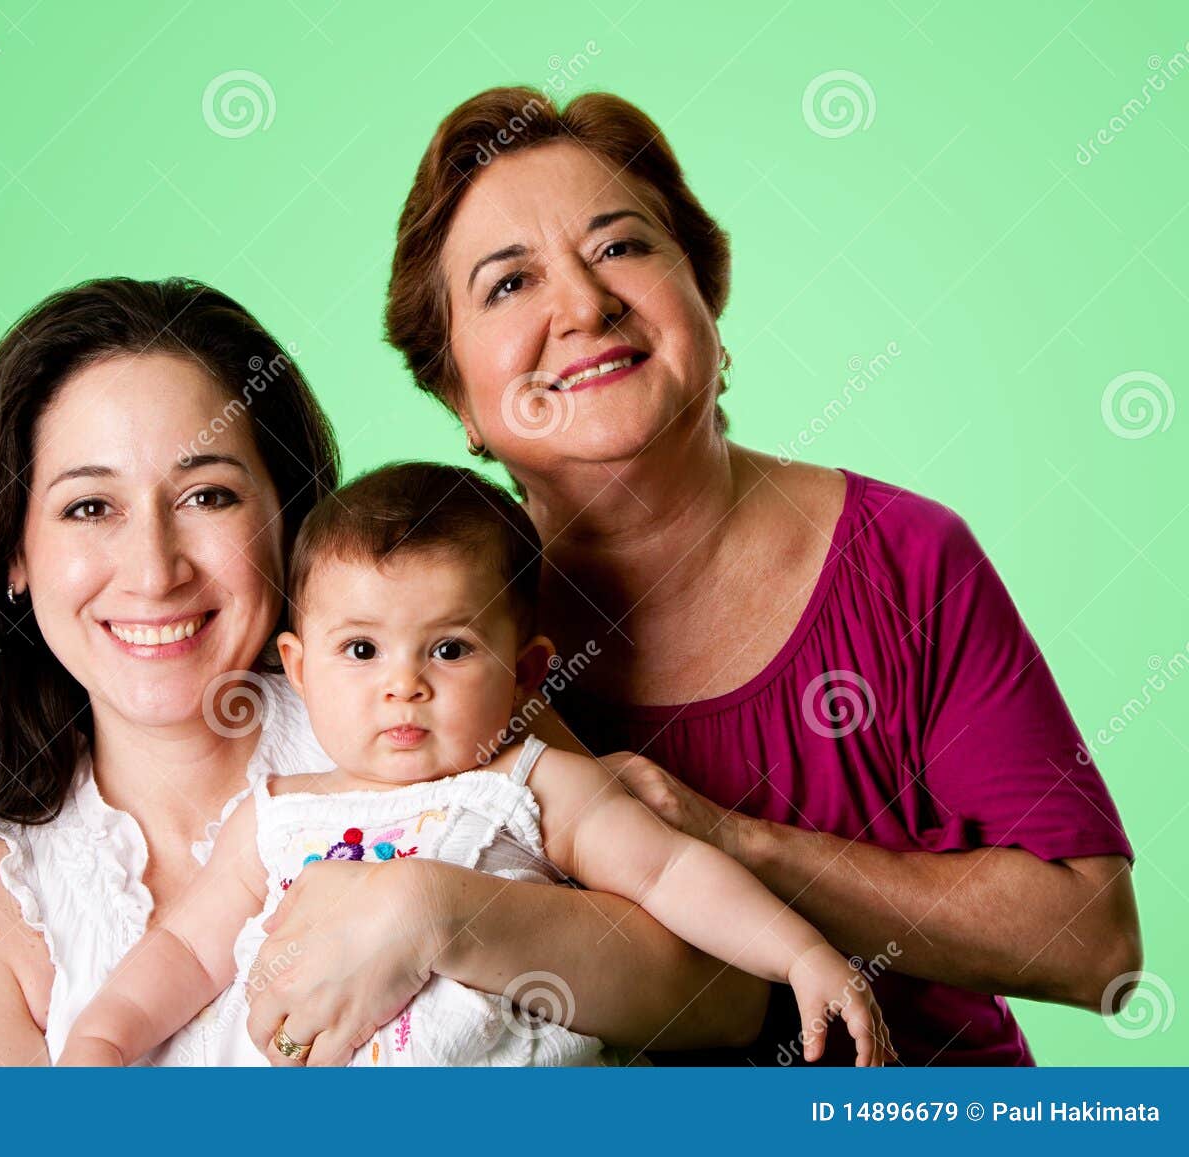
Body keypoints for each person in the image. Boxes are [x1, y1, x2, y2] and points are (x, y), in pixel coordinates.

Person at [382, 87, 1142, 1064]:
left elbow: (1097, 945)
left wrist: (734, 838)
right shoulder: (415, 638)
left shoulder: (908, 559)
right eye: (507, 284)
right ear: (460, 401)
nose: (582, 304)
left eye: (620, 246)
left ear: (706, 301)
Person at [0, 276, 771, 1065]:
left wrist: (435, 912)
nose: (154, 568)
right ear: (14, 553)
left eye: (209, 494)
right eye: (89, 505)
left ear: (287, 523)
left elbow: (728, 999)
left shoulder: (420, 702)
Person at [59, 462, 889, 1067]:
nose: (404, 684)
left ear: (525, 672)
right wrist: (100, 1042)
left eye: (449, 648)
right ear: (300, 666)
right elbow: (183, 955)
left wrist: (800, 954)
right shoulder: (273, 816)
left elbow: (673, 873)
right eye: (361, 649)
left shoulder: (534, 786)